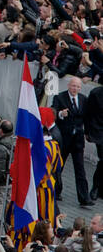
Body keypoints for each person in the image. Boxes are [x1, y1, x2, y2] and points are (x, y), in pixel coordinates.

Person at [51, 76, 94, 207]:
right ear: (69, 86)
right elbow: (53, 112)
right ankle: (55, 191)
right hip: (64, 139)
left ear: (80, 88)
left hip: (78, 140)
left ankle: (84, 197)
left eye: (78, 87)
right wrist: (60, 114)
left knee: (80, 168)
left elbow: (86, 118)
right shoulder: (59, 97)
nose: (75, 89)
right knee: (58, 166)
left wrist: (87, 133)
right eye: (73, 86)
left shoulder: (83, 100)